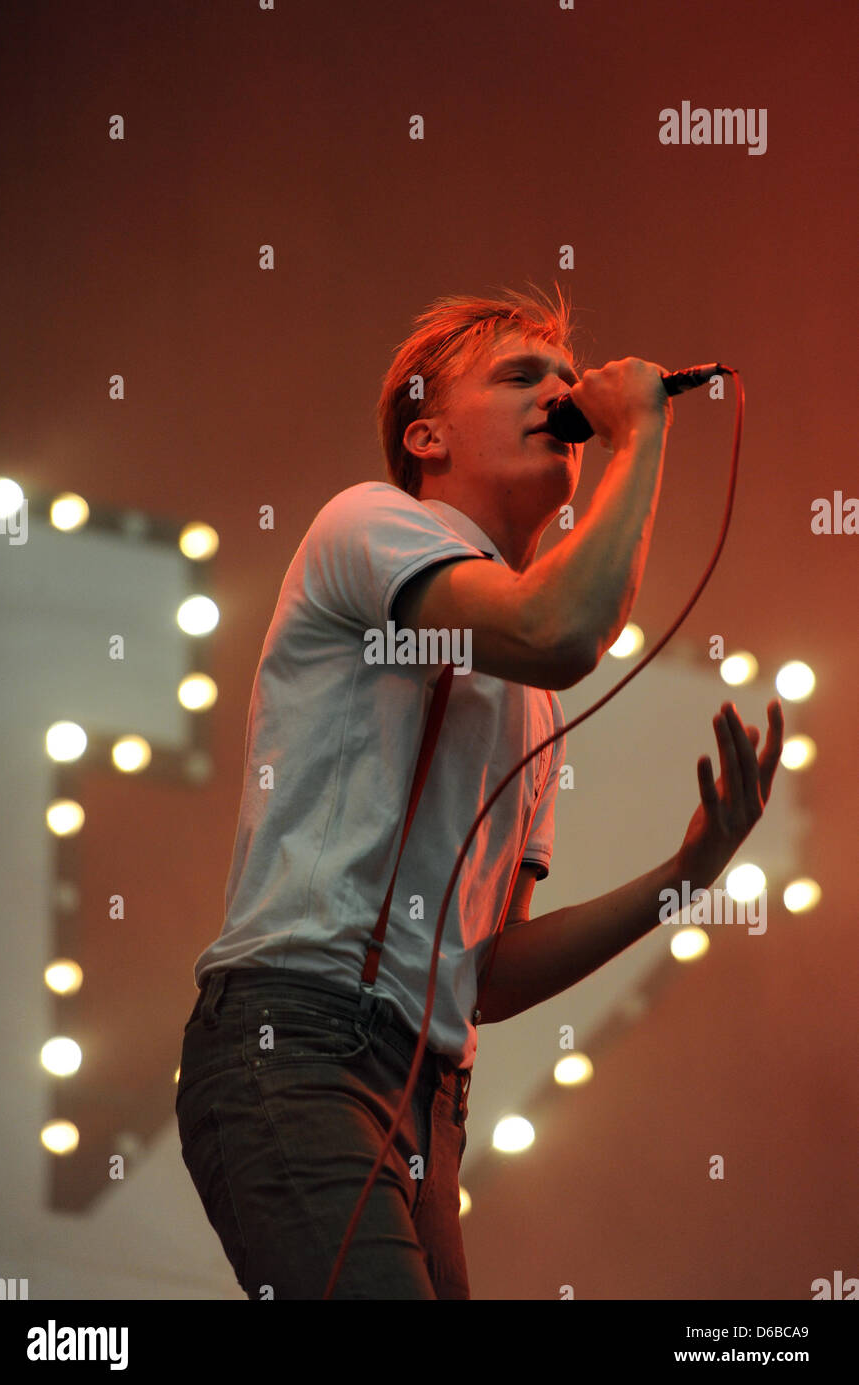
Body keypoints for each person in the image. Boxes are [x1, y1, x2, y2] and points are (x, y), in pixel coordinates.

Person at [175, 284, 783, 1300]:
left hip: (428, 1102)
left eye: (565, 381)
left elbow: (484, 973)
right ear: (426, 433)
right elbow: (563, 631)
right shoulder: (367, 523)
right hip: (299, 1040)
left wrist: (687, 875)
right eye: (520, 377)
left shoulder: (528, 705)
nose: (561, 393)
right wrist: (640, 442)